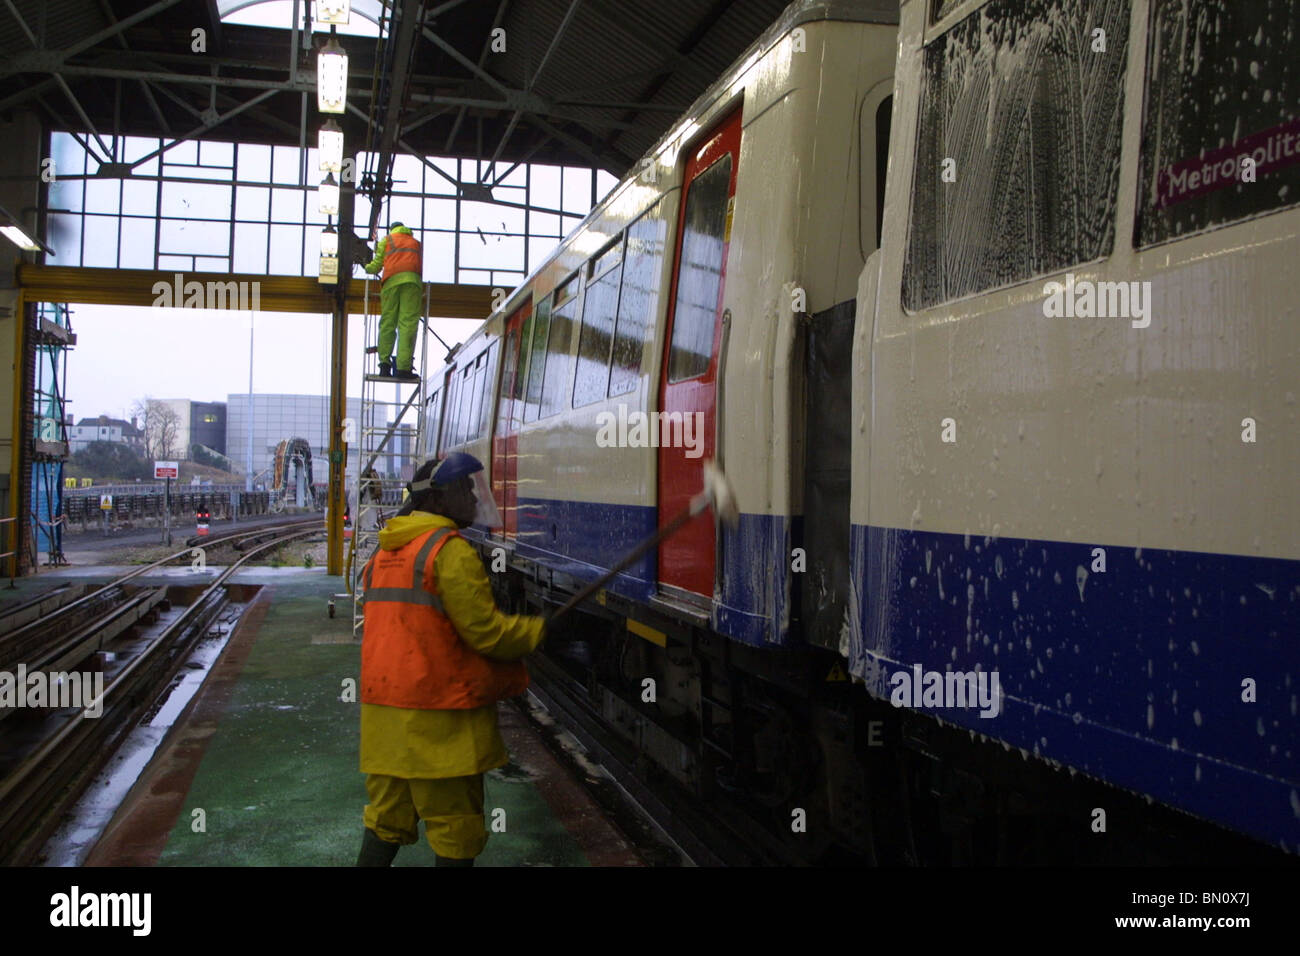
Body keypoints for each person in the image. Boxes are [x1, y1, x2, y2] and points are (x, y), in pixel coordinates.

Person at [355, 453, 546, 867]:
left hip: (384, 720)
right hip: (439, 723)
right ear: (439, 500)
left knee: (387, 818)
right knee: (455, 828)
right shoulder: (449, 552)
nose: (474, 498)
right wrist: (537, 632)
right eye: (465, 490)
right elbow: (487, 633)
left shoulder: (385, 553)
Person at [362, 221, 423, 381]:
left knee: (388, 322)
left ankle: (384, 365)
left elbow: (376, 267)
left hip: (391, 284)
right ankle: (403, 368)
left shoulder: (387, 240)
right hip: (413, 283)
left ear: (392, 229)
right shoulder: (416, 243)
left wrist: (366, 267)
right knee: (408, 325)